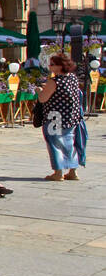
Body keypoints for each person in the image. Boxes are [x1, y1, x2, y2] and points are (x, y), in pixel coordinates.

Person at [39, 53, 87, 181]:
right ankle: (73, 171)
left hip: (55, 117)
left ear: (60, 66)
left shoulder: (54, 81)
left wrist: (39, 91)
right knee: (70, 143)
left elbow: (43, 98)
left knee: (55, 143)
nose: (49, 66)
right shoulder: (72, 78)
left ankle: (58, 172)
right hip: (72, 116)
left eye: (52, 64)